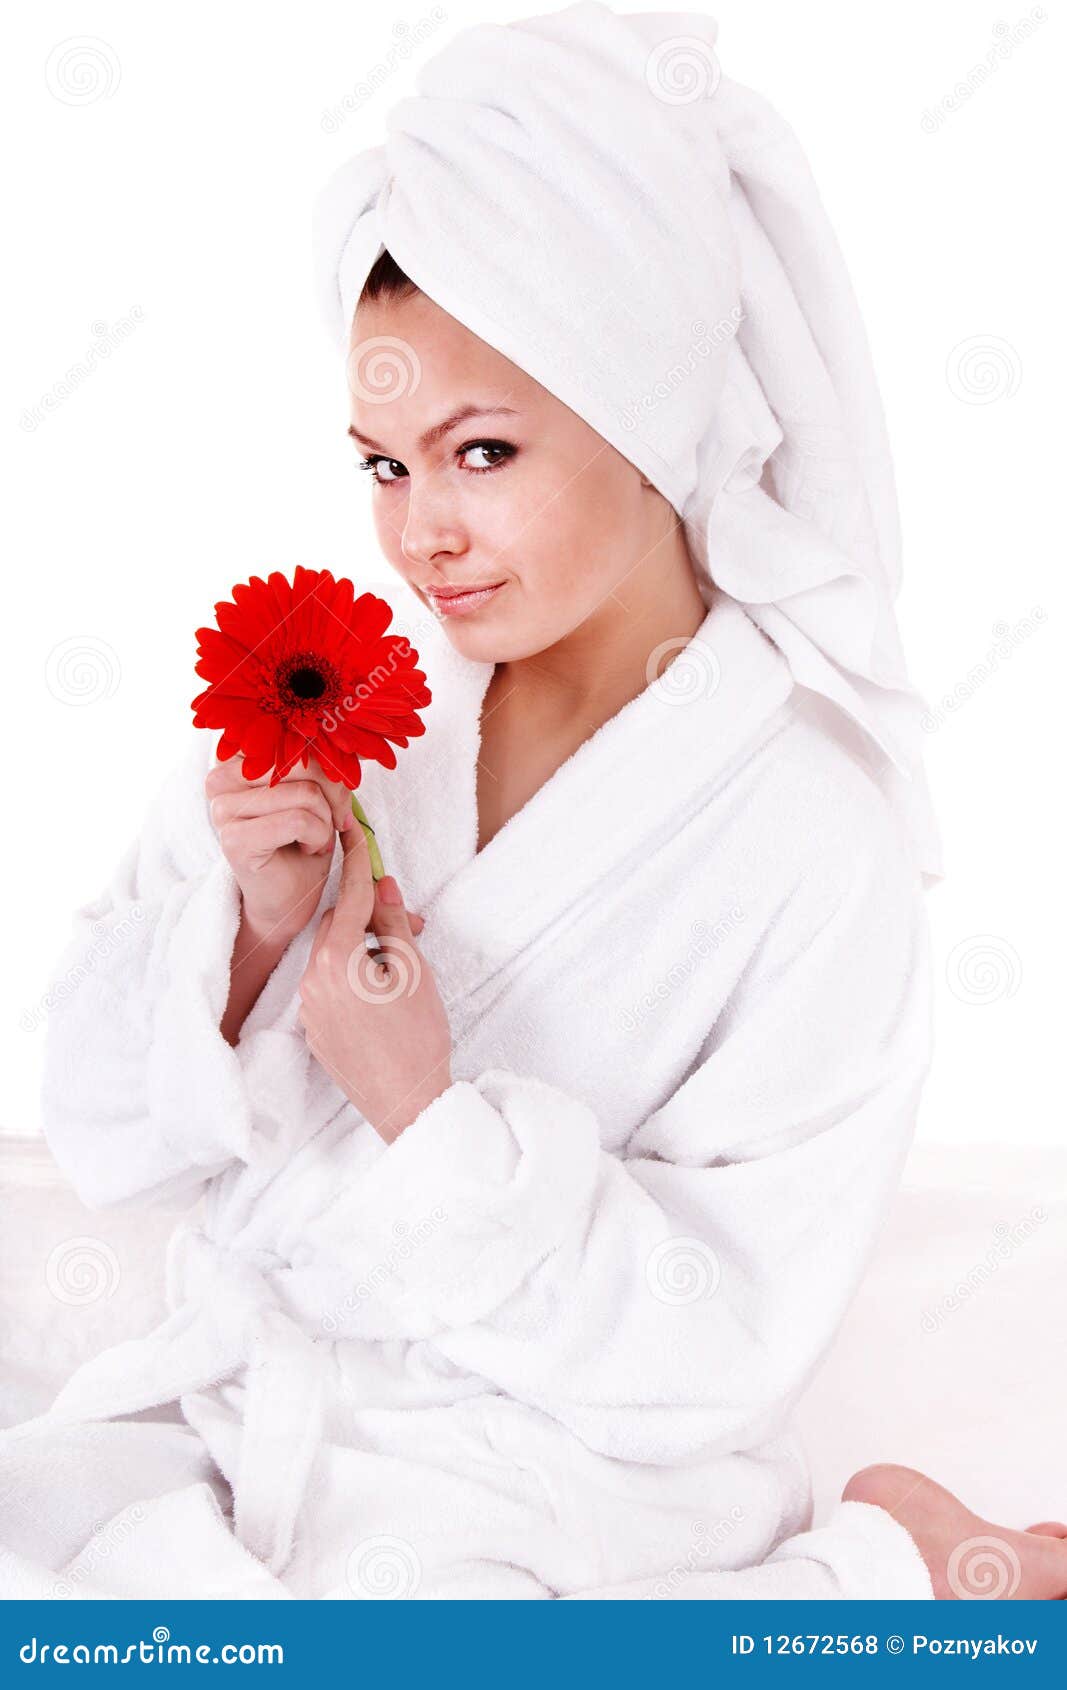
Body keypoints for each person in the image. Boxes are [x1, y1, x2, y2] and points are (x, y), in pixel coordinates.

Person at [4, 1, 1064, 1603]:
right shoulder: (344, 716)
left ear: (650, 420)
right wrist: (240, 946)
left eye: (481, 450)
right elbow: (92, 1121)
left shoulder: (809, 837)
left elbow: (720, 1341)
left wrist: (431, 1125)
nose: (420, 533)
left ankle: (871, 1563)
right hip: (240, 1426)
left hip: (545, 1481)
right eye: (382, 464)